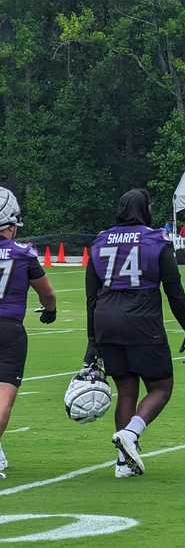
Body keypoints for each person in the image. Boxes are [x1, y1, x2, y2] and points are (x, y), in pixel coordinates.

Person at [86, 188, 185, 478]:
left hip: (106, 320)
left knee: (126, 388)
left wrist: (92, 340)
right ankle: (131, 434)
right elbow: (174, 291)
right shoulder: (156, 240)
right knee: (161, 387)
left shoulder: (100, 240)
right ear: (145, 209)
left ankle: (123, 464)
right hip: (141, 321)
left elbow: (91, 296)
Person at [0, 188, 57, 478]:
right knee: (4, 395)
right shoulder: (23, 254)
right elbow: (47, 293)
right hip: (9, 329)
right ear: (9, 223)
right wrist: (50, 310)